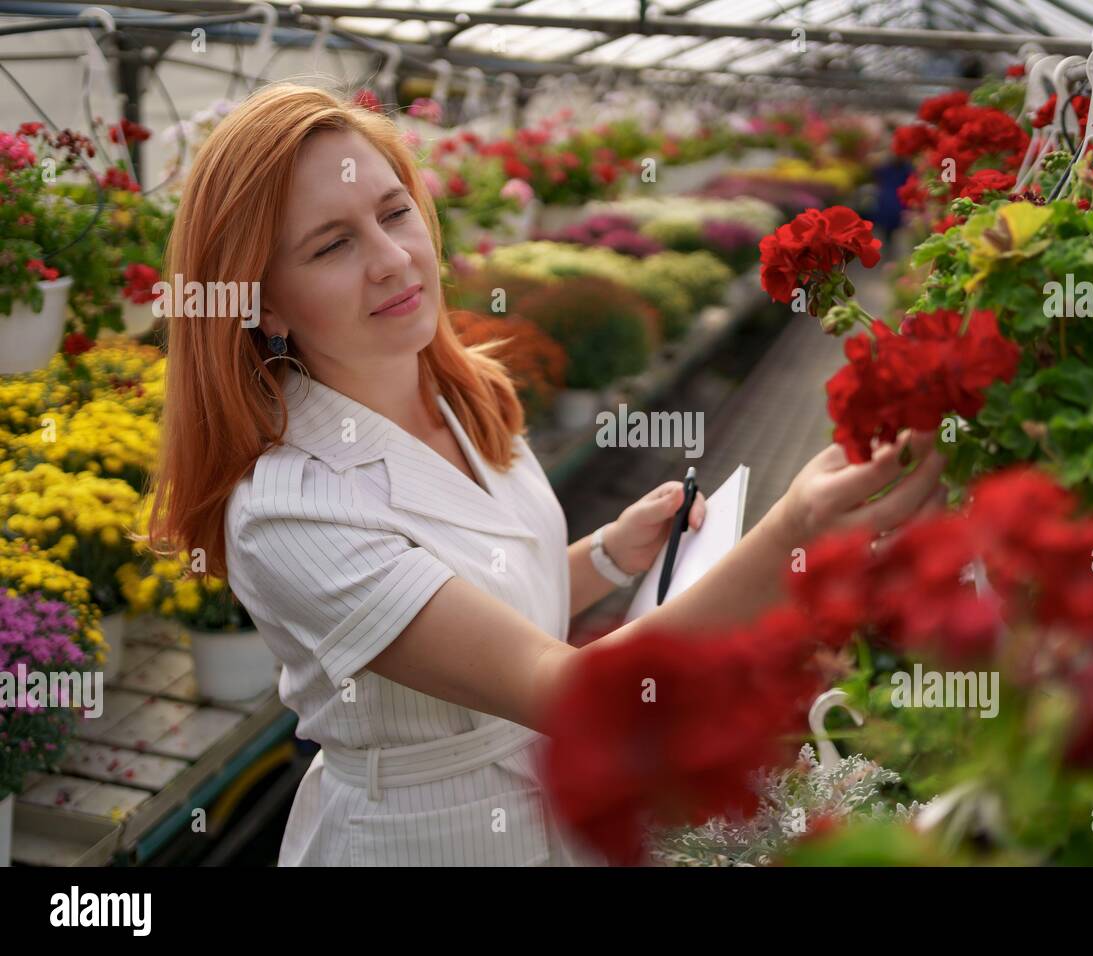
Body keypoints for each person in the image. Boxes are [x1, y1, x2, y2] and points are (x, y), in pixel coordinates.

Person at [147, 83, 946, 866]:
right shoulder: (292, 511)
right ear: (263, 304)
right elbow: (559, 687)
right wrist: (791, 539)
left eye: (394, 213)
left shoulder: (463, 392)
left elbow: (479, 601)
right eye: (331, 245)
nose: (393, 260)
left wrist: (606, 555)